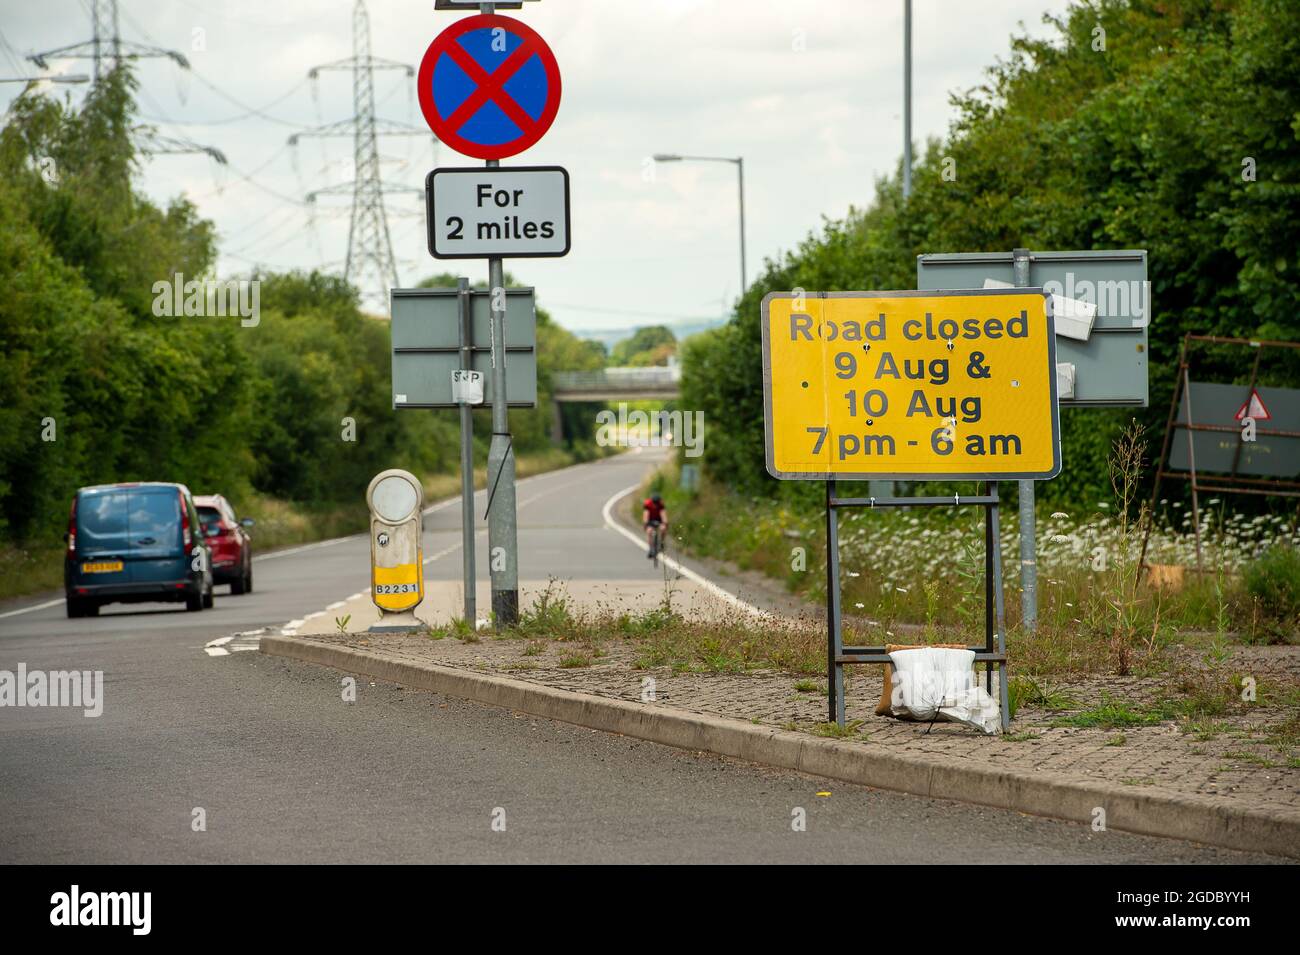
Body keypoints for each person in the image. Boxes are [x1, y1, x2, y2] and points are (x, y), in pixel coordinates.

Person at [643, 493, 667, 559]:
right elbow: (646, 514)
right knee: (649, 531)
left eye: (657, 503)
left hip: (659, 519)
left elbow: (663, 514)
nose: (656, 504)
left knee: (663, 529)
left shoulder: (661, 504)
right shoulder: (647, 504)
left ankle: (661, 543)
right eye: (654, 503)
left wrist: (665, 523)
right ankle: (651, 548)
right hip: (650, 520)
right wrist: (646, 523)